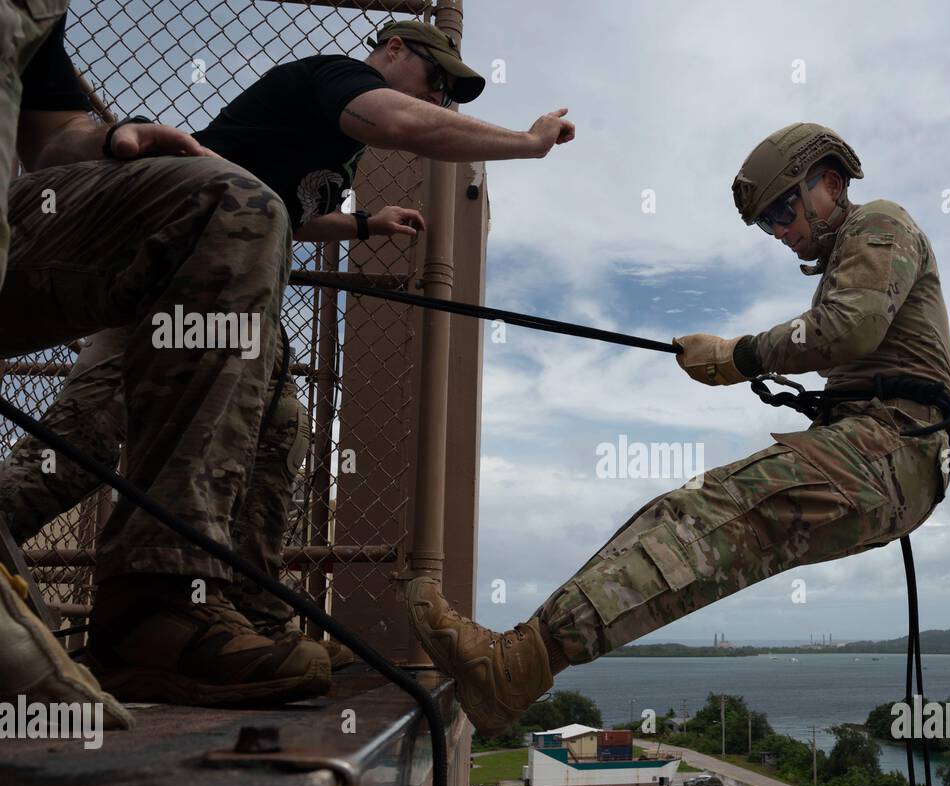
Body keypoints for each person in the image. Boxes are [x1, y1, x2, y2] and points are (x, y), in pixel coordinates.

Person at [0, 18, 575, 707]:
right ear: (393, 50)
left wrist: (363, 224)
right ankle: (146, 603)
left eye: (452, 95)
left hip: (226, 276)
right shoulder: (336, 78)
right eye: (437, 82)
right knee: (85, 437)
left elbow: (289, 214)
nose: (441, 102)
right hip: (169, 271)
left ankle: (246, 610)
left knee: (276, 429)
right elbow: (400, 125)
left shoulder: (338, 153)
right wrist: (528, 142)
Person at [405, 123, 950, 737]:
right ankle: (516, 667)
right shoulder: (849, 257)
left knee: (705, 519)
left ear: (831, 183)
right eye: (768, 224)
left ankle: (518, 666)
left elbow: (850, 327)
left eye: (784, 210)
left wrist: (737, 356)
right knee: (683, 520)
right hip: (884, 452)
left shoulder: (879, 222)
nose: (781, 232)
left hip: (893, 449)